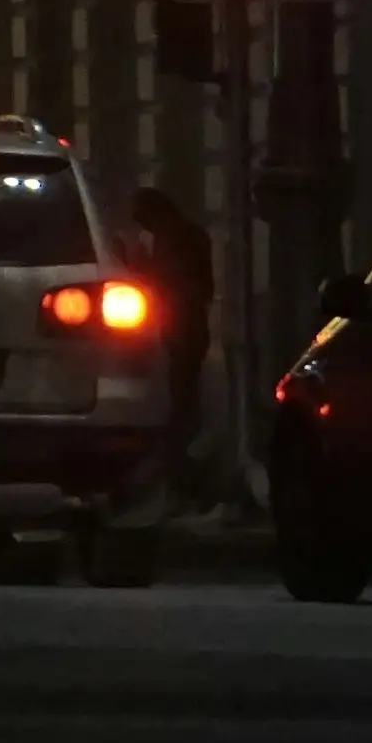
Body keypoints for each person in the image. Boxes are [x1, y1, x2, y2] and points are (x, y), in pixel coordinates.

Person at [120, 179, 221, 501]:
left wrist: (140, 268)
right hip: (181, 328)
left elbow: (178, 283)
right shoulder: (178, 238)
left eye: (143, 217)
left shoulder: (178, 240)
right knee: (181, 398)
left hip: (184, 329)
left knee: (182, 401)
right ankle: (181, 470)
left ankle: (183, 473)